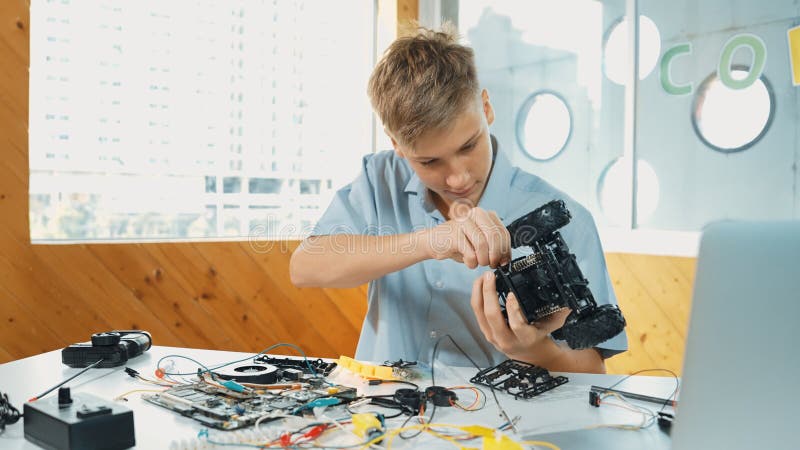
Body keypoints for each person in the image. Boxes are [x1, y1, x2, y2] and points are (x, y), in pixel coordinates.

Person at [289, 25, 627, 373]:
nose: (458, 178)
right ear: (396, 144)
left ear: (486, 107)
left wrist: (536, 351)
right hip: (382, 414)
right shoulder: (380, 179)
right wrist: (432, 241)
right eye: (429, 161)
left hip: (497, 424)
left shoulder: (569, 221)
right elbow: (304, 267)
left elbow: (593, 373)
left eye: (468, 146)